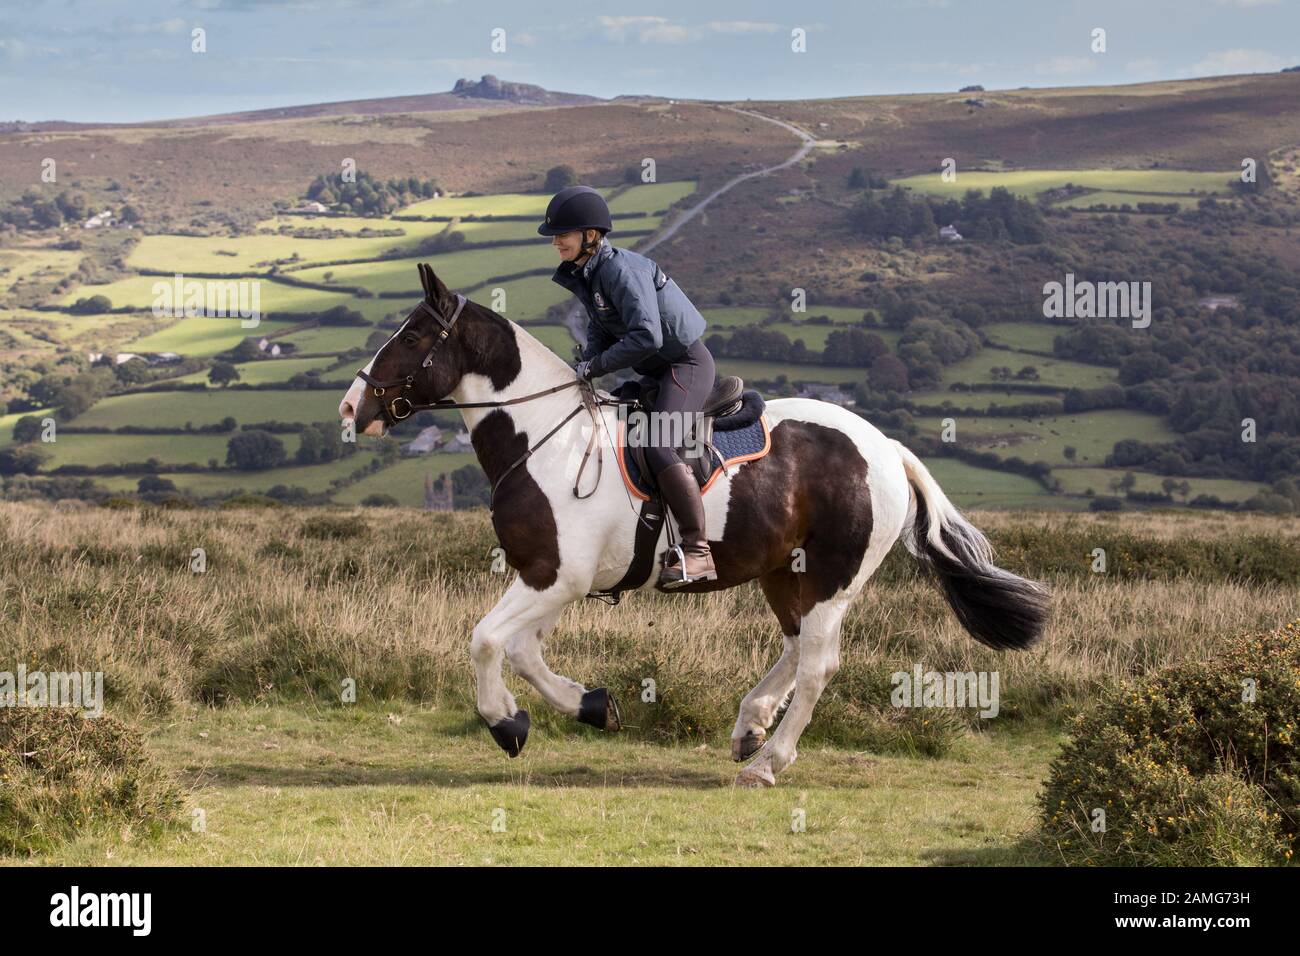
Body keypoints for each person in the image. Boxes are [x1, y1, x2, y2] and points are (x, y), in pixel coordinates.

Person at [540, 184, 717, 587]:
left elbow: (647, 337)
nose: (556, 242)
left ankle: (698, 550)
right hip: (655, 372)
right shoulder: (590, 274)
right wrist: (584, 367)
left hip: (682, 365)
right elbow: (603, 332)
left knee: (658, 443)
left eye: (562, 234)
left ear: (590, 235)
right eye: (555, 235)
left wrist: (596, 365)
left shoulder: (620, 270)